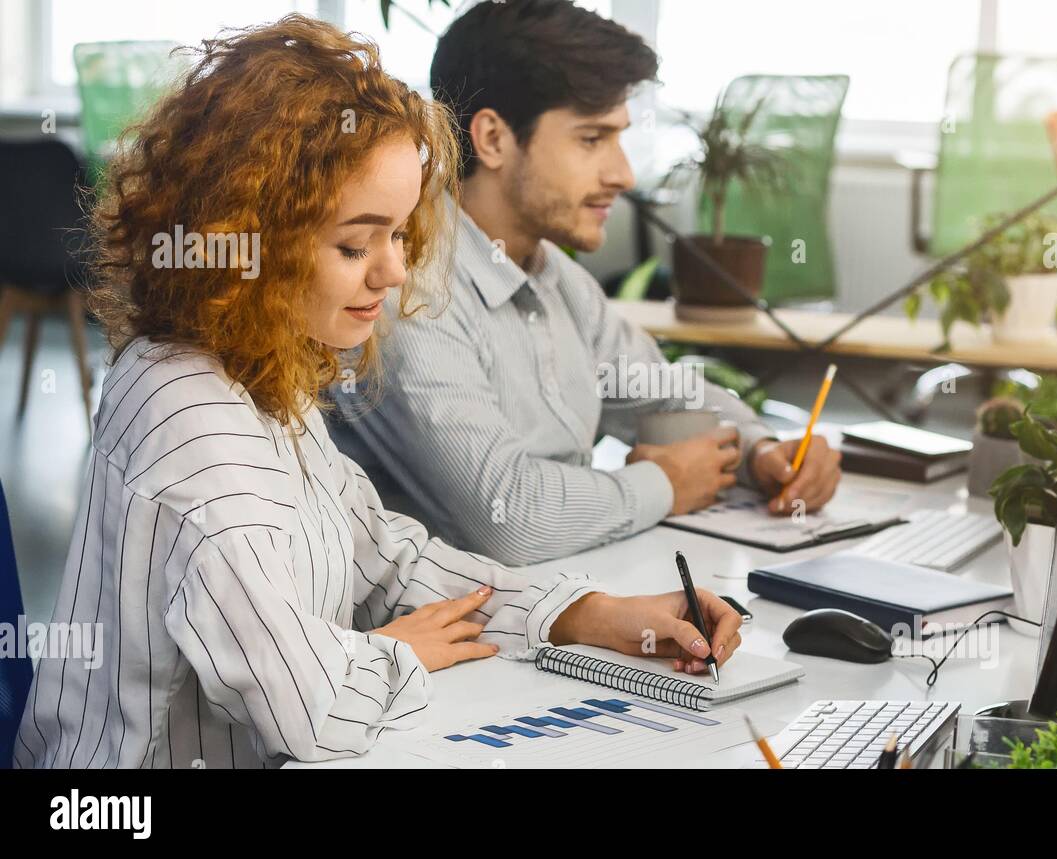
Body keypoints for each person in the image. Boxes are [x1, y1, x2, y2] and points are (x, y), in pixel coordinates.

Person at [14, 15, 741, 769]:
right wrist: (394, 651)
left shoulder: (264, 368)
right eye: (356, 244)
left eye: (398, 235)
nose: (394, 273)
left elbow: (387, 559)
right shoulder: (191, 416)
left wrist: (589, 615)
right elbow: (310, 710)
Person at [328, 0, 843, 566]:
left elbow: (664, 395)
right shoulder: (405, 289)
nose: (622, 174)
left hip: (567, 595)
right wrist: (663, 483)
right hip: (444, 634)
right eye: (592, 139)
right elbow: (510, 518)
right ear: (494, 139)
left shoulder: (555, 276)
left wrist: (762, 450)